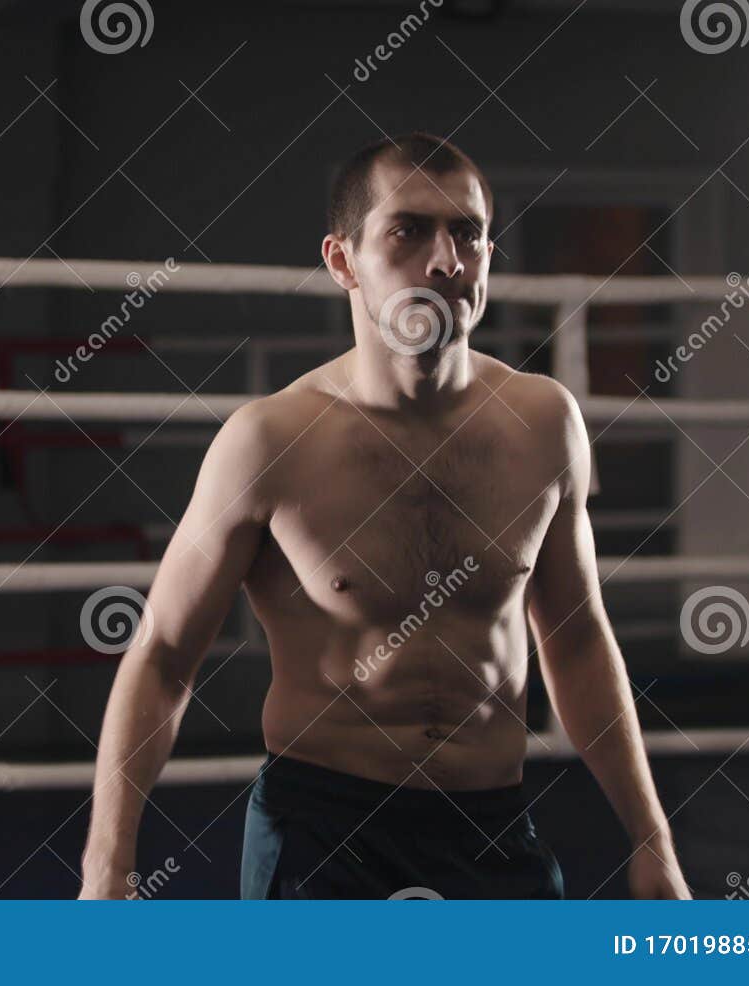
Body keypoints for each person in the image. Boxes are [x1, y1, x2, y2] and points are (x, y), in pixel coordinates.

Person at [78, 132, 691, 900]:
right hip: (324, 832)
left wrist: (651, 838)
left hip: (491, 823)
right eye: (408, 231)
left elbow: (575, 638)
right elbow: (165, 654)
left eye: (466, 233)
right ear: (343, 262)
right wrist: (107, 870)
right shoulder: (270, 442)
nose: (445, 261)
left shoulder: (544, 424)